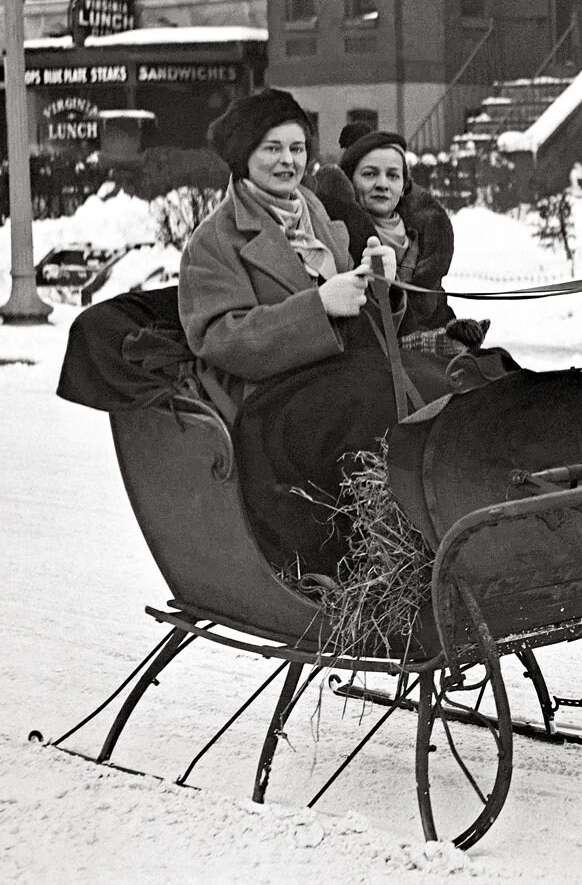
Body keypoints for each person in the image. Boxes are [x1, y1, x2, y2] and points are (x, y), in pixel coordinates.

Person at [178, 88, 448, 574]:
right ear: (245, 156)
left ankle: (443, 525)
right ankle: (376, 556)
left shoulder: (312, 211)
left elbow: (354, 295)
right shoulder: (214, 239)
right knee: (376, 398)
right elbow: (222, 338)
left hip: (336, 375)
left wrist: (382, 282)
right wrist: (317, 307)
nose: (288, 161)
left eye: (297, 148)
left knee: (438, 381)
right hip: (270, 402)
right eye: (272, 149)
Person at [310, 126, 487, 353]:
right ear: (350, 182)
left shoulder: (421, 238)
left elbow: (435, 309)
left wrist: (454, 331)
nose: (382, 184)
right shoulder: (338, 238)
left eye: (393, 175)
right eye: (370, 174)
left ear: (404, 186)